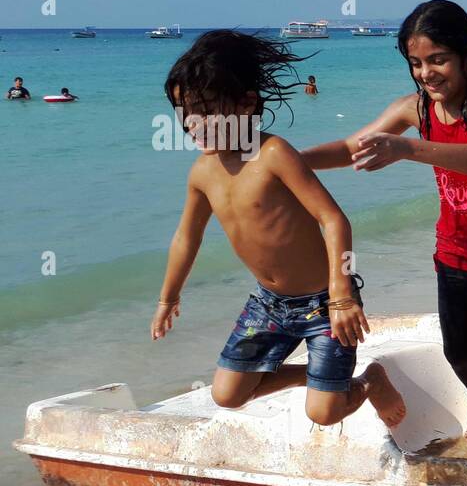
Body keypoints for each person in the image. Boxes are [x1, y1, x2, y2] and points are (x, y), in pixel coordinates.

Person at [301, 0, 467, 452]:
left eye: (438, 59)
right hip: (455, 250)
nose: (426, 73)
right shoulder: (413, 109)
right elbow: (350, 146)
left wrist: (407, 149)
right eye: (416, 63)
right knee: (459, 350)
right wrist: (289, 163)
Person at [151, 30, 406, 431]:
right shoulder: (202, 172)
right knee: (228, 394)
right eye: (184, 111)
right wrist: (168, 298)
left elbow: (334, 219)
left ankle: (369, 382)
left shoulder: (273, 154)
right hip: (268, 305)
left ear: (246, 102)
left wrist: (341, 296)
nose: (192, 122)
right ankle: (324, 379)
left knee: (324, 413)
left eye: (204, 109)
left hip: (325, 302)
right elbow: (187, 237)